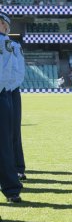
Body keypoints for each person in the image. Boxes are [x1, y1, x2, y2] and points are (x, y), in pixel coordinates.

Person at [0, 11, 22, 203]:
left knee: (4, 146)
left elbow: (8, 73)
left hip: (1, 94)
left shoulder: (5, 43)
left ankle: (11, 189)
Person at [10, 40, 26, 181]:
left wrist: (6, 88)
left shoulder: (14, 45)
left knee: (13, 131)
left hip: (9, 91)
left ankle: (18, 167)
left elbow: (19, 71)